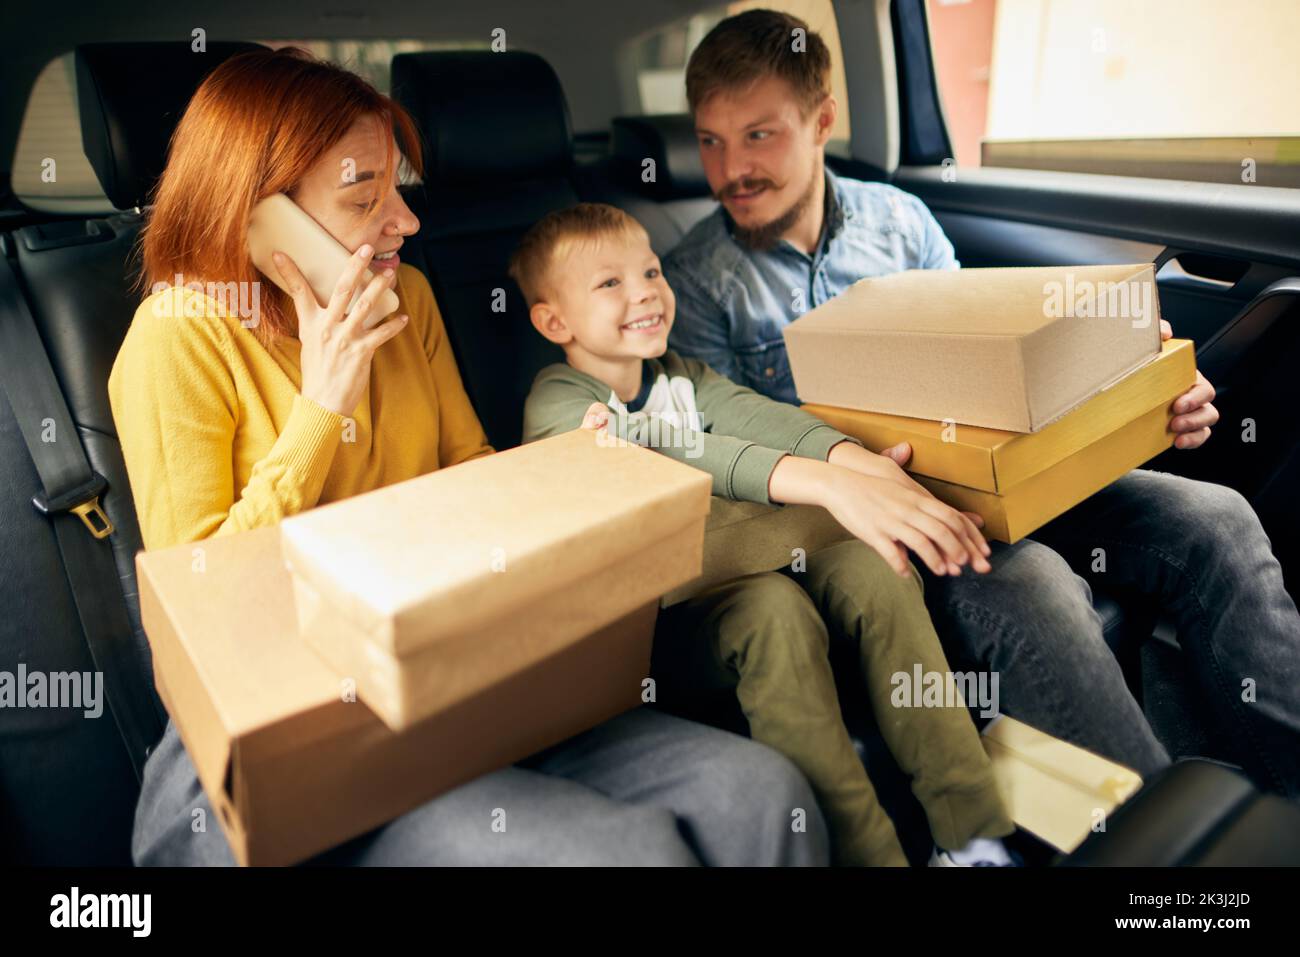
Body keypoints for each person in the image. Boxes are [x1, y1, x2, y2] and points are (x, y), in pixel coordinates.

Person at [109, 47, 829, 866]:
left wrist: (572, 478)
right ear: (260, 216)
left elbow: (471, 472)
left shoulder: (406, 298)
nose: (406, 223)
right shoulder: (177, 339)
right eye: (362, 198)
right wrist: (319, 412)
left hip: (452, 670)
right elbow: (207, 614)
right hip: (303, 724)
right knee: (621, 853)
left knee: (765, 797)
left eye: (398, 191)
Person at [663, 9, 1300, 797]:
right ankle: (1155, 854)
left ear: (823, 118)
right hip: (864, 526)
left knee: (1218, 519)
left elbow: (996, 362)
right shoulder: (689, 286)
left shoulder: (900, 222)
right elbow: (728, 460)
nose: (731, 171)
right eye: (712, 141)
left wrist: (1139, 390)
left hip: (1000, 477)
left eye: (758, 135)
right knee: (1036, 584)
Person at [517, 202, 1018, 866]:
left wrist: (859, 464)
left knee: (878, 568)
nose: (643, 291)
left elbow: (760, 418)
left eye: (651, 271)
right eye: (610, 283)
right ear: (554, 321)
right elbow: (672, 449)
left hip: (735, 564)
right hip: (654, 627)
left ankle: (971, 832)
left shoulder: (682, 376)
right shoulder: (555, 403)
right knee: (773, 613)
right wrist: (820, 484)